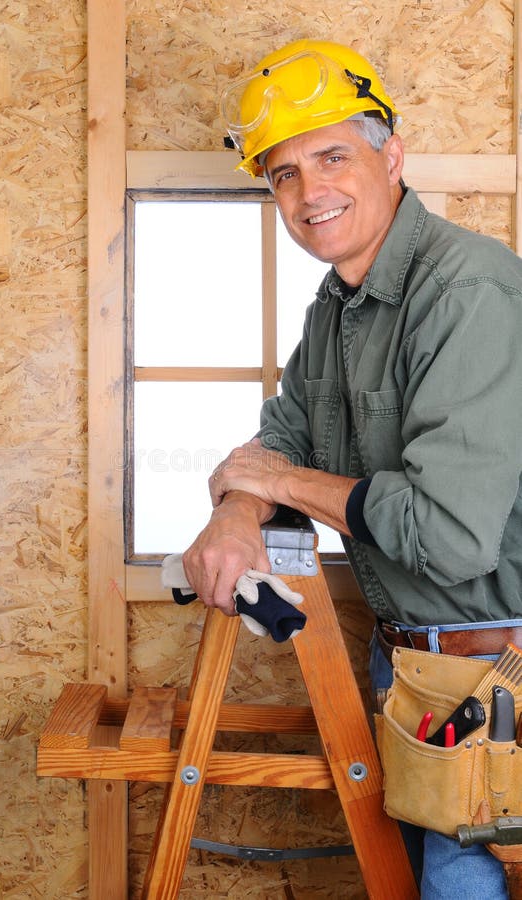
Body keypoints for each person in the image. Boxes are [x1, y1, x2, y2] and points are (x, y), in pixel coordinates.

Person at [181, 38, 522, 897]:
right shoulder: (335, 310)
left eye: (332, 154)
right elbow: (278, 438)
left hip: (495, 676)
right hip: (407, 668)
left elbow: (447, 538)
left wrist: (278, 486)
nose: (309, 192)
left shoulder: (469, 293)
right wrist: (233, 512)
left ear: (392, 154)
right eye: (284, 173)